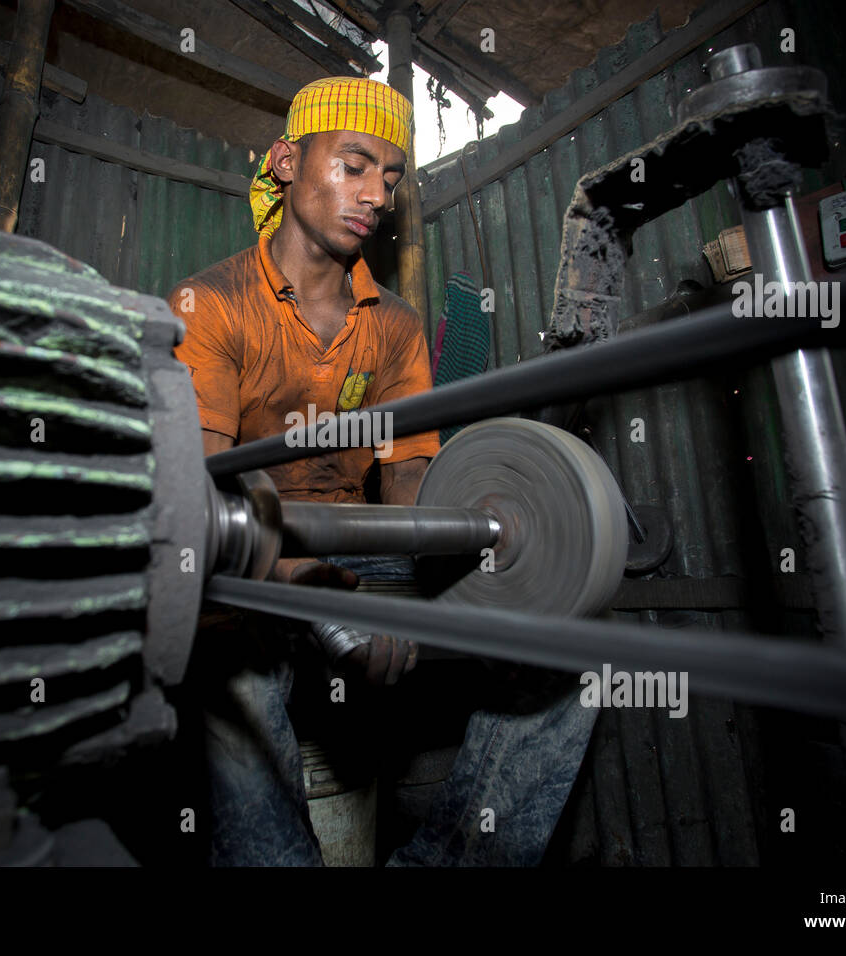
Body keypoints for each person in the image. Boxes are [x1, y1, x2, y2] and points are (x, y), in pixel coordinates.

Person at [168, 77, 596, 866]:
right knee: (234, 676)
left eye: (391, 180)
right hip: (242, 559)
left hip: (362, 543)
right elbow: (207, 486)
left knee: (568, 647)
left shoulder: (395, 327)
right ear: (288, 162)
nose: (375, 196)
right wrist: (329, 611)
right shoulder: (212, 304)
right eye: (354, 166)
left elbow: (408, 478)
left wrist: (417, 584)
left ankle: (456, 857)